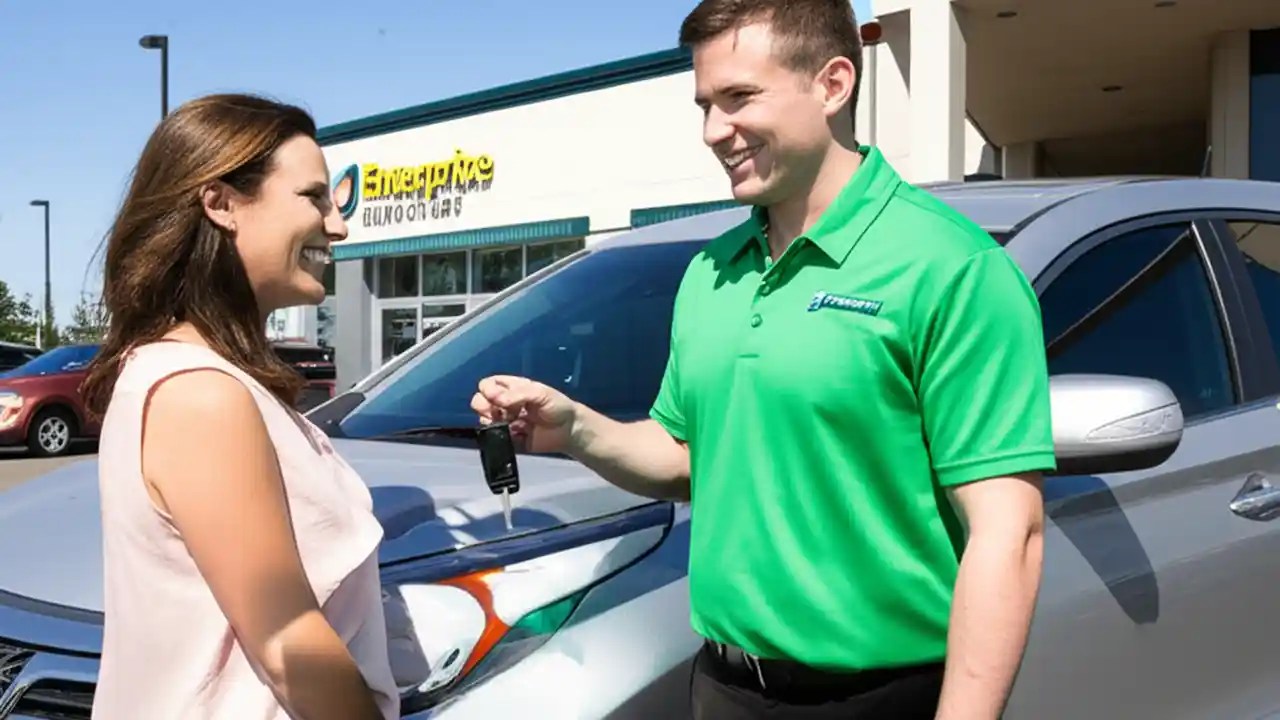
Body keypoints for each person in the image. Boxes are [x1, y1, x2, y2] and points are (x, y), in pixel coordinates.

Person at [471, 1, 1055, 718]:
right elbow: (689, 456)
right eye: (705, 105)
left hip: (883, 697)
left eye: (740, 97)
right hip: (724, 687)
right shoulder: (713, 272)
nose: (715, 131)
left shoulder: (952, 268)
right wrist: (576, 430)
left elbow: (1009, 531)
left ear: (833, 84)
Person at [81, 94, 399, 720]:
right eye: (312, 198)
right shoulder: (200, 394)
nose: (337, 225)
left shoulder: (199, 379)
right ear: (221, 203)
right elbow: (290, 643)